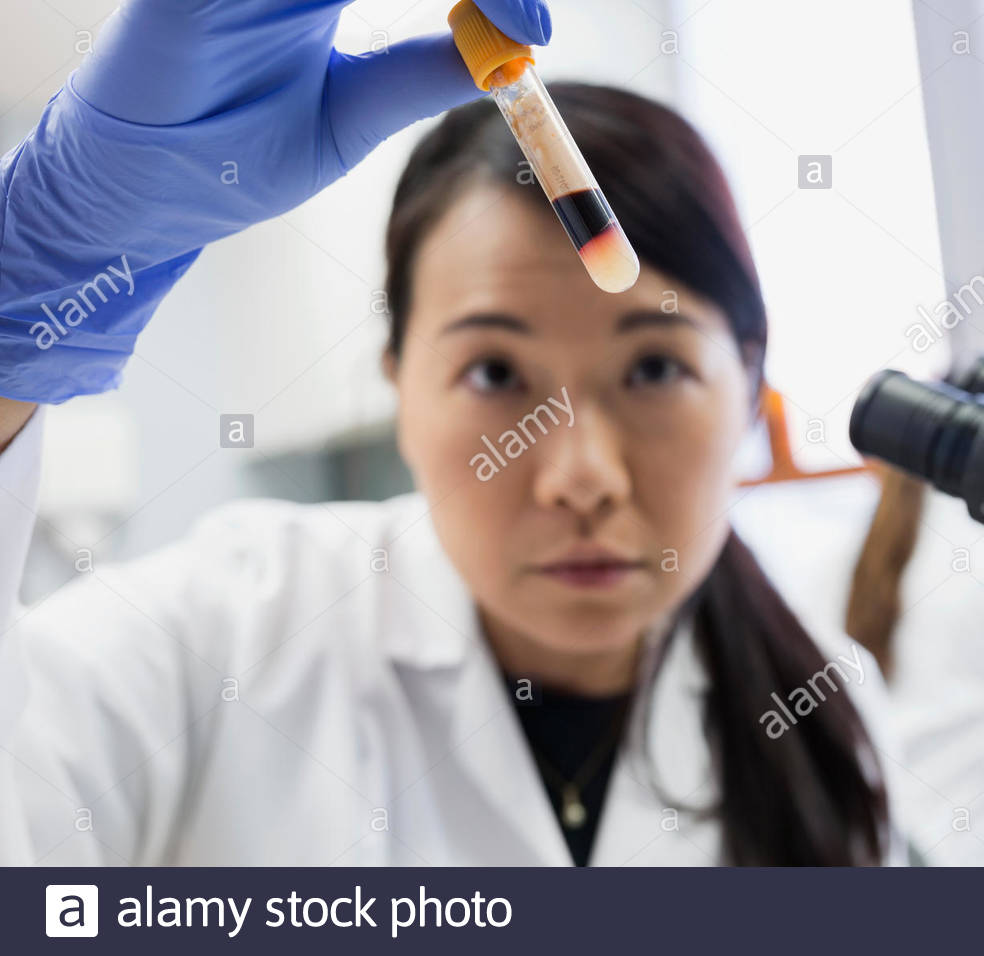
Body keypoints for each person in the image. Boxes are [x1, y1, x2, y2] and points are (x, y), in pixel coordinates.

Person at [0, 0, 906, 865]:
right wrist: (20, 292)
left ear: (752, 384)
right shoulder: (216, 639)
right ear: (400, 383)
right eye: (496, 374)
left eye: (655, 369)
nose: (582, 476)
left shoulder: (829, 709)